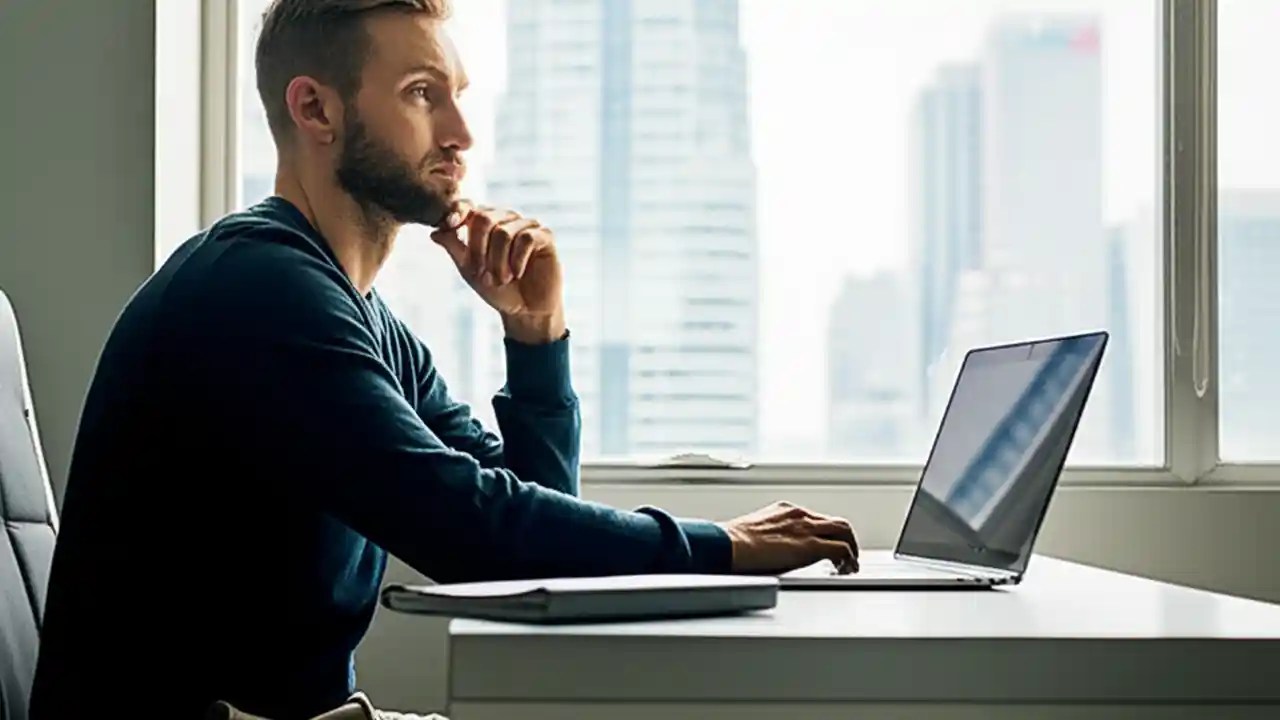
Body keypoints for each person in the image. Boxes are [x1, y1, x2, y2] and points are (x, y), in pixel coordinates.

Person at [27, 1, 859, 718]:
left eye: (457, 96)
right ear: (316, 111)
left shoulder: (361, 318)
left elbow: (523, 533)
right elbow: (476, 531)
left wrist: (536, 340)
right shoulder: (259, 292)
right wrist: (721, 544)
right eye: (422, 95)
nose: (461, 134)